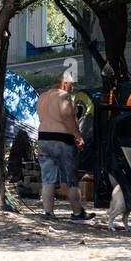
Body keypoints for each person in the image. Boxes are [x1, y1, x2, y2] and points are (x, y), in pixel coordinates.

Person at [35, 72, 92, 221]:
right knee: (70, 179)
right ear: (64, 83)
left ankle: (48, 212)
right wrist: (78, 136)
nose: (72, 88)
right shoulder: (64, 97)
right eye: (72, 85)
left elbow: (41, 117)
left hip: (43, 139)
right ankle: (78, 213)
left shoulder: (42, 96)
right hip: (62, 141)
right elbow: (67, 118)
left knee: (48, 179)